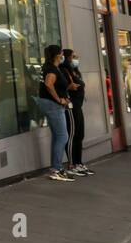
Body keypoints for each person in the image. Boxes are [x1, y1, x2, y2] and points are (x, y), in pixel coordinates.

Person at [37, 44, 74, 181]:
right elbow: (48, 84)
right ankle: (56, 169)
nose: (63, 54)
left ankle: (56, 167)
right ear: (57, 55)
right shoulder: (51, 68)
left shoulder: (50, 67)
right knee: (63, 136)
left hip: (50, 104)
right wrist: (59, 99)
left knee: (57, 137)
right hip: (53, 105)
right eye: (61, 52)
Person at [60, 49, 92, 175]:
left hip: (78, 106)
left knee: (80, 135)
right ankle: (72, 164)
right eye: (73, 56)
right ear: (67, 57)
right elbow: (59, 87)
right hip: (71, 107)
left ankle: (78, 162)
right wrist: (69, 88)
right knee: (72, 135)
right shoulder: (64, 71)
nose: (76, 59)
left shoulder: (74, 72)